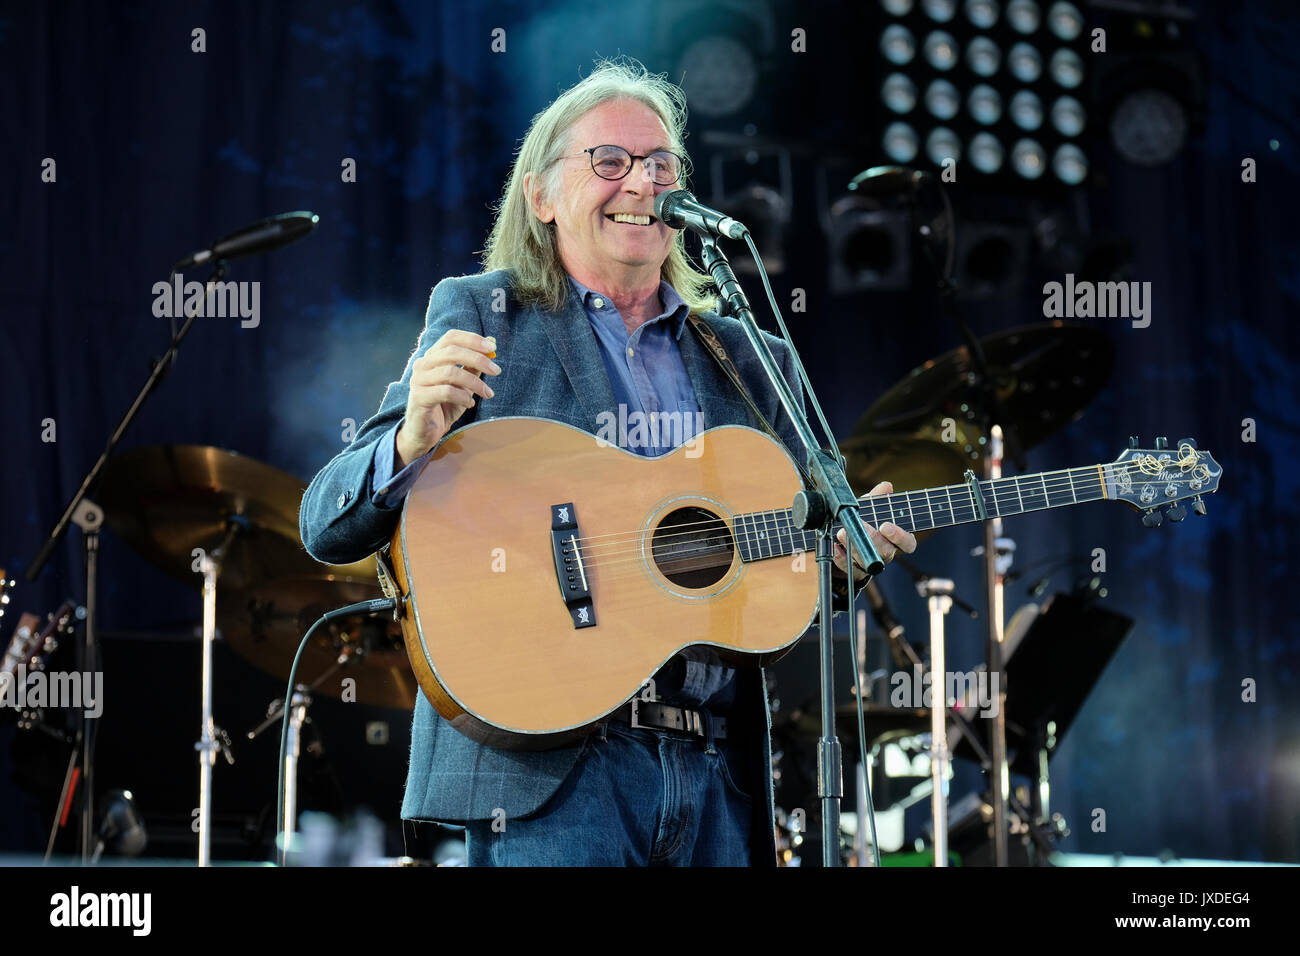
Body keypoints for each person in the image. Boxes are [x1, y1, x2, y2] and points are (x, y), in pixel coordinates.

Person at [299, 59, 916, 866]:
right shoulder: (488, 316)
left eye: (662, 165)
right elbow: (326, 523)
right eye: (611, 162)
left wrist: (837, 562)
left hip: (716, 777)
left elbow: (782, 566)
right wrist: (409, 440)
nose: (643, 184)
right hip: (543, 780)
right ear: (543, 197)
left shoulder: (748, 355)